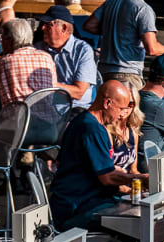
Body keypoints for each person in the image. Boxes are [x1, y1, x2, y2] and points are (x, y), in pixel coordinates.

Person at [48, 81, 149, 231]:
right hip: (78, 207)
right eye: (121, 108)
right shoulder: (92, 129)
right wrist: (140, 179)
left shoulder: (85, 123)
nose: (122, 114)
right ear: (108, 103)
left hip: (89, 201)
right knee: (138, 222)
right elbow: (107, 177)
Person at [84, 0, 164, 93]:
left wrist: (114, 31)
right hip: (127, 76)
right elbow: (152, 48)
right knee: (128, 113)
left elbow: (89, 25)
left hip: (103, 73)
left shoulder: (112, 1)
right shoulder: (143, 9)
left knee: (106, 112)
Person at [0, 18, 58, 106]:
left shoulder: (4, 62)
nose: (1, 42)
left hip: (19, 118)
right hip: (50, 118)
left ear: (9, 40)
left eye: (2, 38)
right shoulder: (47, 58)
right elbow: (53, 88)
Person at [34, 5, 99, 108]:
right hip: (46, 108)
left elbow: (79, 92)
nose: (42, 28)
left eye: (48, 25)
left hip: (75, 108)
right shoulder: (38, 49)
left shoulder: (82, 50)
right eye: (43, 24)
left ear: (64, 28)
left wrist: (47, 83)